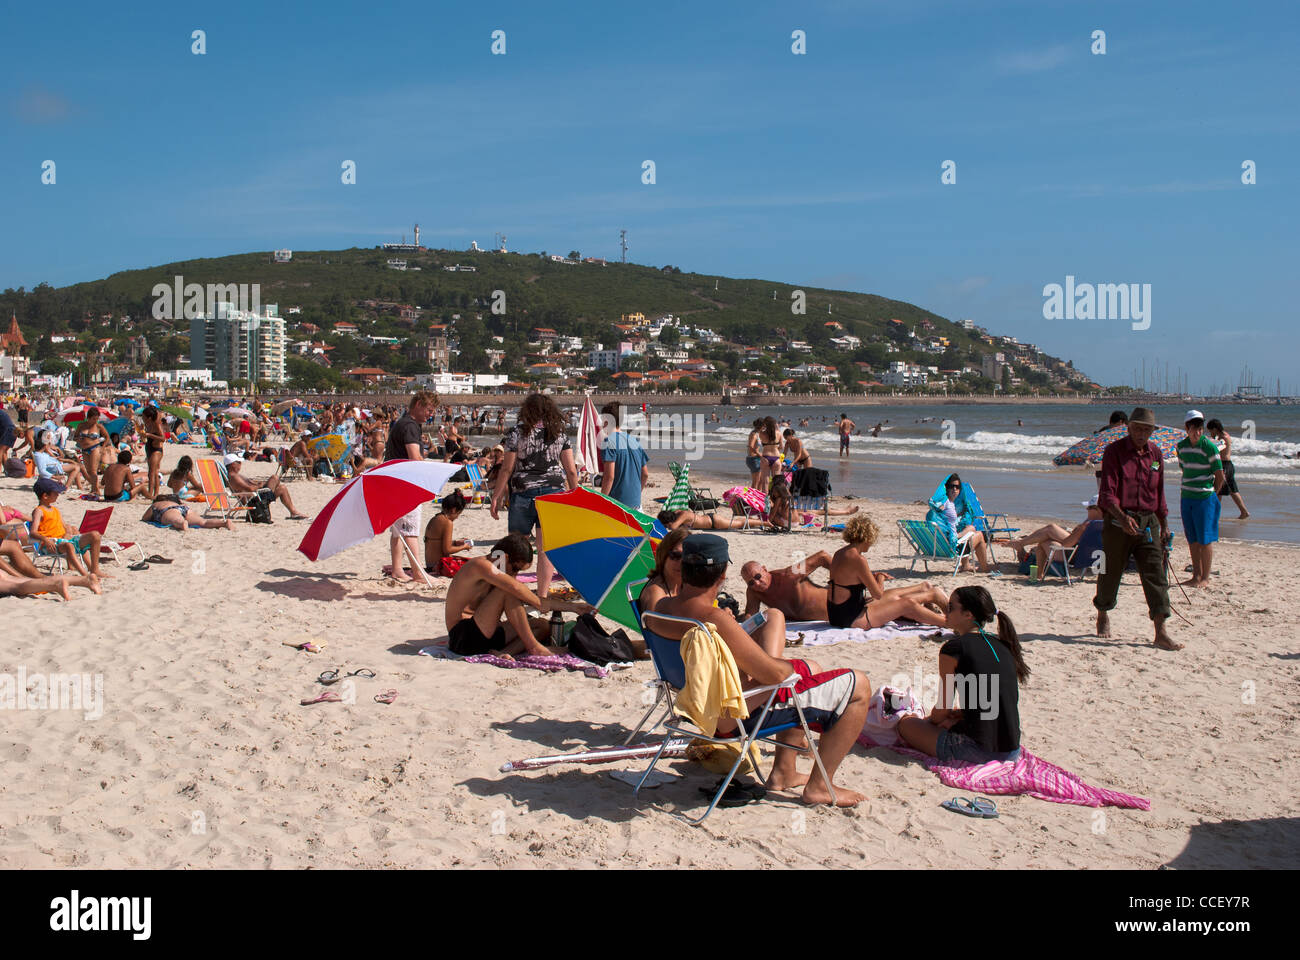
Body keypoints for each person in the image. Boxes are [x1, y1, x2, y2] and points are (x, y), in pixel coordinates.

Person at [653, 534, 871, 807]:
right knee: (858, 685)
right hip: (729, 719)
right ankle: (819, 787)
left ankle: (784, 772)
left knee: (808, 667)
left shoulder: (661, 609)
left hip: (695, 707)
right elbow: (775, 676)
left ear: (684, 569)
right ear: (722, 574)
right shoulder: (713, 618)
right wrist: (790, 667)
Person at [897, 586, 1027, 765]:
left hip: (980, 751)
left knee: (906, 724)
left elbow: (942, 708)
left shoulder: (954, 649)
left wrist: (934, 720)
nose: (946, 611)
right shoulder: (1003, 645)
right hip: (1012, 750)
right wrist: (961, 716)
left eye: (950, 607)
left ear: (968, 615)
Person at [1094, 407, 1179, 650]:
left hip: (1149, 521)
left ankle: (1161, 632)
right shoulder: (1114, 452)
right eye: (1138, 428)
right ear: (1129, 428)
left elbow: (1159, 493)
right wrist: (1121, 518)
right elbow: (1107, 493)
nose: (1142, 433)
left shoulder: (1155, 454)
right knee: (1110, 573)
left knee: (1156, 575)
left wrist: (1164, 524)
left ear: (1153, 431)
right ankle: (1103, 611)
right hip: (1118, 521)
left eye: (1147, 429)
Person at [491, 393, 579, 606]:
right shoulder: (559, 434)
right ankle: (542, 596)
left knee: (514, 545)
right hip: (553, 494)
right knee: (545, 548)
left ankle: (508, 589)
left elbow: (507, 468)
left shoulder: (517, 433)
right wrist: (575, 496)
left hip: (524, 493)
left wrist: (496, 496)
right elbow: (571, 471)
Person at [443, 533, 592, 658]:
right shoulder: (480, 565)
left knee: (543, 625)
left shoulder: (497, 570)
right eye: (515, 569)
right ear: (505, 558)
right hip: (464, 637)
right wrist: (538, 604)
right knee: (509, 589)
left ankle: (503, 653)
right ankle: (534, 647)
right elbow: (516, 589)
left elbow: (530, 597)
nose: (514, 574)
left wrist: (574, 608)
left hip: (484, 634)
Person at [826, 515, 950, 628]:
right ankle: (948, 622)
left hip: (837, 614)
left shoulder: (839, 553)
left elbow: (848, 580)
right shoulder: (858, 559)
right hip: (851, 619)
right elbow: (878, 595)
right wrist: (880, 578)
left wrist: (870, 577)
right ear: (866, 538)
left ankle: (925, 589)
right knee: (907, 603)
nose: (871, 544)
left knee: (896, 594)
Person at [384, 391, 438, 582]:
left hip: (393, 481)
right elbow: (414, 458)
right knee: (410, 529)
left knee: (398, 529)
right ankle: (418, 573)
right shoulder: (410, 426)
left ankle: (398, 569)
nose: (431, 414)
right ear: (418, 404)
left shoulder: (402, 423)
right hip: (405, 484)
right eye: (429, 410)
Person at [1177, 410, 1224, 588]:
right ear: (1187, 428)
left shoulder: (1209, 447)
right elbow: (1184, 468)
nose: (1197, 432)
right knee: (1193, 539)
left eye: (1200, 428)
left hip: (1205, 498)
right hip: (1187, 497)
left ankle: (1205, 577)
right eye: (1193, 428)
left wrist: (1213, 496)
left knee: (1205, 540)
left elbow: (1220, 476)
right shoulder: (1181, 446)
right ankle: (1196, 575)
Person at [995, 496, 1105, 574]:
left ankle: (1021, 544)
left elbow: (1066, 544)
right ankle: (1038, 572)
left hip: (1075, 555)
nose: (1086, 510)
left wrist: (1076, 531)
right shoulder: (1106, 525)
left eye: (1089, 508)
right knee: (1046, 541)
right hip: (1087, 556)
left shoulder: (1086, 526)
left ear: (1097, 509)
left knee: (1050, 529)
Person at [30, 477, 106, 578]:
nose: (58, 494)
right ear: (45, 496)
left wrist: (68, 533)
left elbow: (64, 526)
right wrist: (46, 540)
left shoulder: (54, 509)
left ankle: (94, 569)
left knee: (95, 535)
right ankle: (85, 576)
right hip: (50, 544)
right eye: (55, 493)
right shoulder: (39, 511)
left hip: (62, 541)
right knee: (69, 546)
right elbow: (33, 532)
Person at [927, 474, 998, 574]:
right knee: (979, 535)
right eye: (952, 486)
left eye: (957, 487)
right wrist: (959, 535)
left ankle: (965, 565)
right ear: (946, 488)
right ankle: (984, 568)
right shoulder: (946, 506)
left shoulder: (938, 507)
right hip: (950, 548)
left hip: (936, 547)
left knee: (969, 528)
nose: (955, 489)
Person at [742, 550, 835, 622]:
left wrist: (840, 579)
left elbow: (822, 556)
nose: (757, 583)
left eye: (758, 576)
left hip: (837, 606)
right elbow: (750, 614)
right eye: (751, 583)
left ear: (764, 569)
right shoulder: (753, 591)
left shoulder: (790, 575)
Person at [224, 454, 308, 520]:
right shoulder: (233, 477)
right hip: (254, 499)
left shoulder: (236, 475)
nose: (240, 464)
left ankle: (293, 512)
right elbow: (250, 489)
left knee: (282, 488)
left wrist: (260, 483)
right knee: (274, 478)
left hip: (257, 496)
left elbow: (251, 484)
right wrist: (260, 485)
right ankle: (271, 499)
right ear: (232, 464)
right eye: (238, 462)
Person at [599, 402, 649, 510]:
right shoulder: (634, 441)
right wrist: (636, 493)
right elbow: (645, 474)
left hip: (618, 504)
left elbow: (609, 477)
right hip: (636, 504)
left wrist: (601, 500)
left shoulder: (608, 442)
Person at [1206, 419, 1250, 520]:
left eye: (1210, 430)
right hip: (1228, 465)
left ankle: (1215, 514)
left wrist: (1212, 439)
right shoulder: (1225, 435)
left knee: (1219, 488)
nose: (1210, 433)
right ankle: (1244, 511)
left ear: (1215, 429)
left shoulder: (1222, 438)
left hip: (1224, 465)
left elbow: (1215, 448)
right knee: (1232, 490)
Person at [424, 490, 472, 576]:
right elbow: (447, 550)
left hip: (430, 565)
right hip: (440, 566)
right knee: (474, 565)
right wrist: (464, 547)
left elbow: (437, 543)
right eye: (458, 514)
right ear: (454, 510)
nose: (457, 517)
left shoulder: (435, 518)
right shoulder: (447, 522)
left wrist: (456, 543)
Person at [74, 407, 113, 497]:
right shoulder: (81, 425)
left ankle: (95, 489)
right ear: (89, 417)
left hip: (95, 448)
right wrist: (78, 439)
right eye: (93, 419)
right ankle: (95, 488)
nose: (95, 421)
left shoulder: (99, 426)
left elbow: (107, 437)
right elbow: (75, 437)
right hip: (84, 449)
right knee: (88, 471)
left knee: (93, 470)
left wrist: (103, 447)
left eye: (97, 419)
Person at [139, 406, 167, 499]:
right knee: (154, 472)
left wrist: (149, 435)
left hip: (157, 450)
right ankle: (155, 494)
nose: (142, 418)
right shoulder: (147, 424)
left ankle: (150, 494)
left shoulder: (157, 424)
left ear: (149, 417)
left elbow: (163, 438)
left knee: (151, 472)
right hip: (149, 447)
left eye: (143, 416)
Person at [745, 418, 764, 487]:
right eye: (764, 426)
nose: (765, 427)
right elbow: (750, 446)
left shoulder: (757, 433)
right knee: (756, 482)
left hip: (755, 458)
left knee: (760, 480)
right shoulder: (754, 434)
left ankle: (757, 495)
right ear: (761, 426)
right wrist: (760, 454)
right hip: (753, 459)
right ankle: (752, 496)